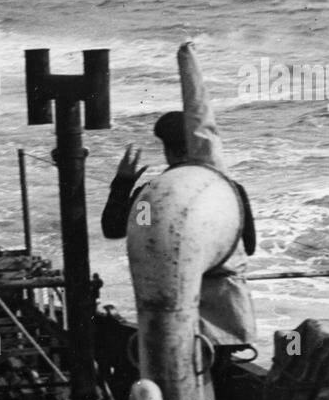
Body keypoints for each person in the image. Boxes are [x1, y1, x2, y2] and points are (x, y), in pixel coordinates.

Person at [101, 110, 257, 350]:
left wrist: (123, 183)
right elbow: (249, 246)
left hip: (170, 311)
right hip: (225, 316)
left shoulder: (152, 194)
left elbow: (114, 229)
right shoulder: (232, 190)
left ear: (169, 151)